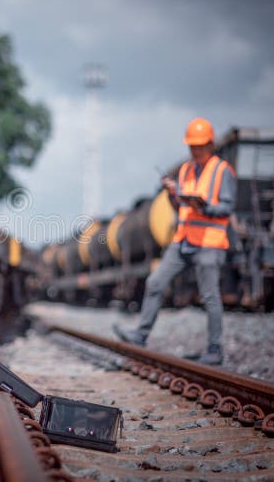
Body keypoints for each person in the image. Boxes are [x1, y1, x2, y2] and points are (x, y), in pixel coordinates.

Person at [113, 117, 236, 365]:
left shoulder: (223, 171)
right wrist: (173, 194)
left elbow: (227, 207)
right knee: (155, 282)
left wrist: (203, 207)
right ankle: (140, 335)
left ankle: (214, 350)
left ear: (210, 144)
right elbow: (178, 207)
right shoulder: (186, 170)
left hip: (209, 242)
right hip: (183, 241)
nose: (195, 150)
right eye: (192, 146)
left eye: (199, 145)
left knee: (210, 296)